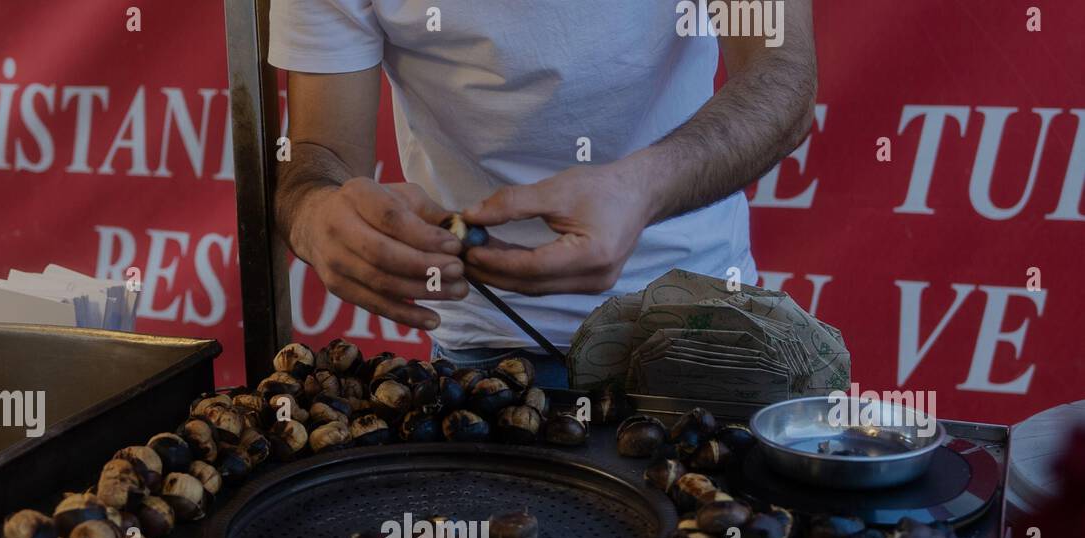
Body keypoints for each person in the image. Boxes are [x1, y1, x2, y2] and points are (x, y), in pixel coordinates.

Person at [270, 2, 816, 388]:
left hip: (703, 325)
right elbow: (320, 153)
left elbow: (781, 77)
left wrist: (640, 190)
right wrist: (315, 214)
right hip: (485, 352)